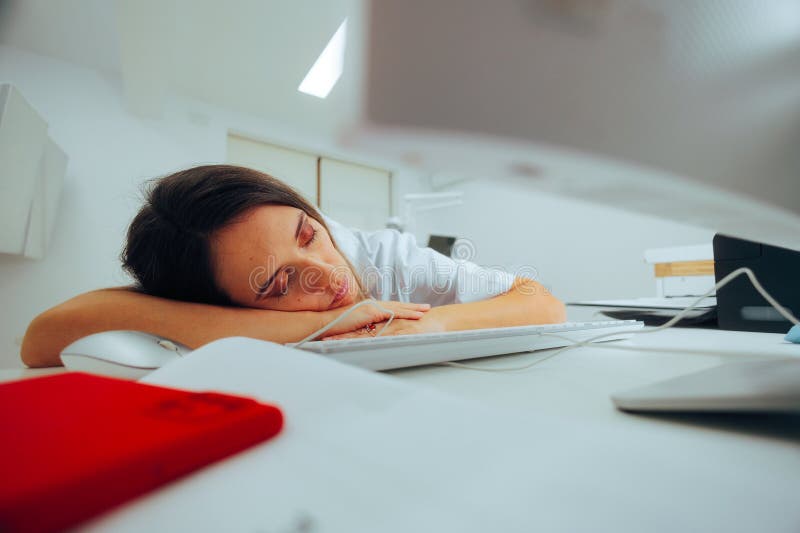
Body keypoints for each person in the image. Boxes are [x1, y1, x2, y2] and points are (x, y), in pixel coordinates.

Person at [20, 165, 566, 367]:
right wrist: (315, 325)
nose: (325, 273)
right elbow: (42, 337)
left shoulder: (382, 259)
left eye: (308, 235)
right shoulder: (204, 293)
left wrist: (409, 326)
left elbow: (540, 300)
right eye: (280, 285)